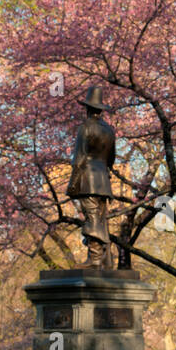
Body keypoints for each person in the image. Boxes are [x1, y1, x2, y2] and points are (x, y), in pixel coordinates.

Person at [66, 86, 117, 268]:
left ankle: (95, 258)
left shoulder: (85, 128)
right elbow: (111, 158)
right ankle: (103, 258)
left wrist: (73, 183)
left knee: (92, 218)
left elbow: (79, 158)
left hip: (88, 180)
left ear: (87, 108)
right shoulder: (109, 131)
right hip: (103, 180)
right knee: (101, 219)